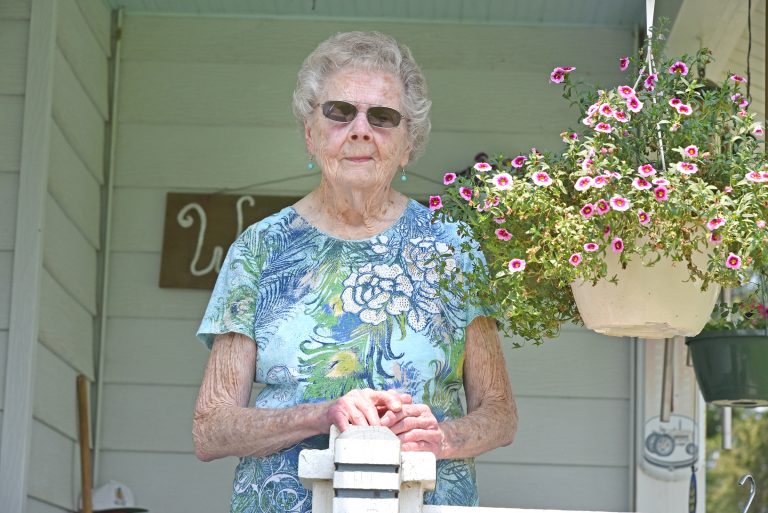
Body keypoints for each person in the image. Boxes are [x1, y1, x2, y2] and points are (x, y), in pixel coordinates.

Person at [192, 31, 517, 513]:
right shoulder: (259, 249)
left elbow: (500, 414)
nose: (361, 129)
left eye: (383, 117)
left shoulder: (453, 249)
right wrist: (321, 415)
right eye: (340, 112)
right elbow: (211, 428)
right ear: (311, 133)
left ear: (408, 145)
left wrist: (441, 437)